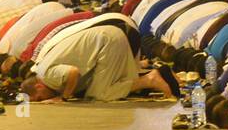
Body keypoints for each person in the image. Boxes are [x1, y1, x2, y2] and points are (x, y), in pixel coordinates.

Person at [20, 23, 177, 102]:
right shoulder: (41, 68)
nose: (45, 99)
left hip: (107, 42)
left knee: (99, 94)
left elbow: (72, 72)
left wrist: (63, 97)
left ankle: (149, 80)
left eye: (40, 98)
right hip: (110, 35)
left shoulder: (46, 76)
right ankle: (156, 77)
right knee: (103, 86)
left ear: (38, 86)